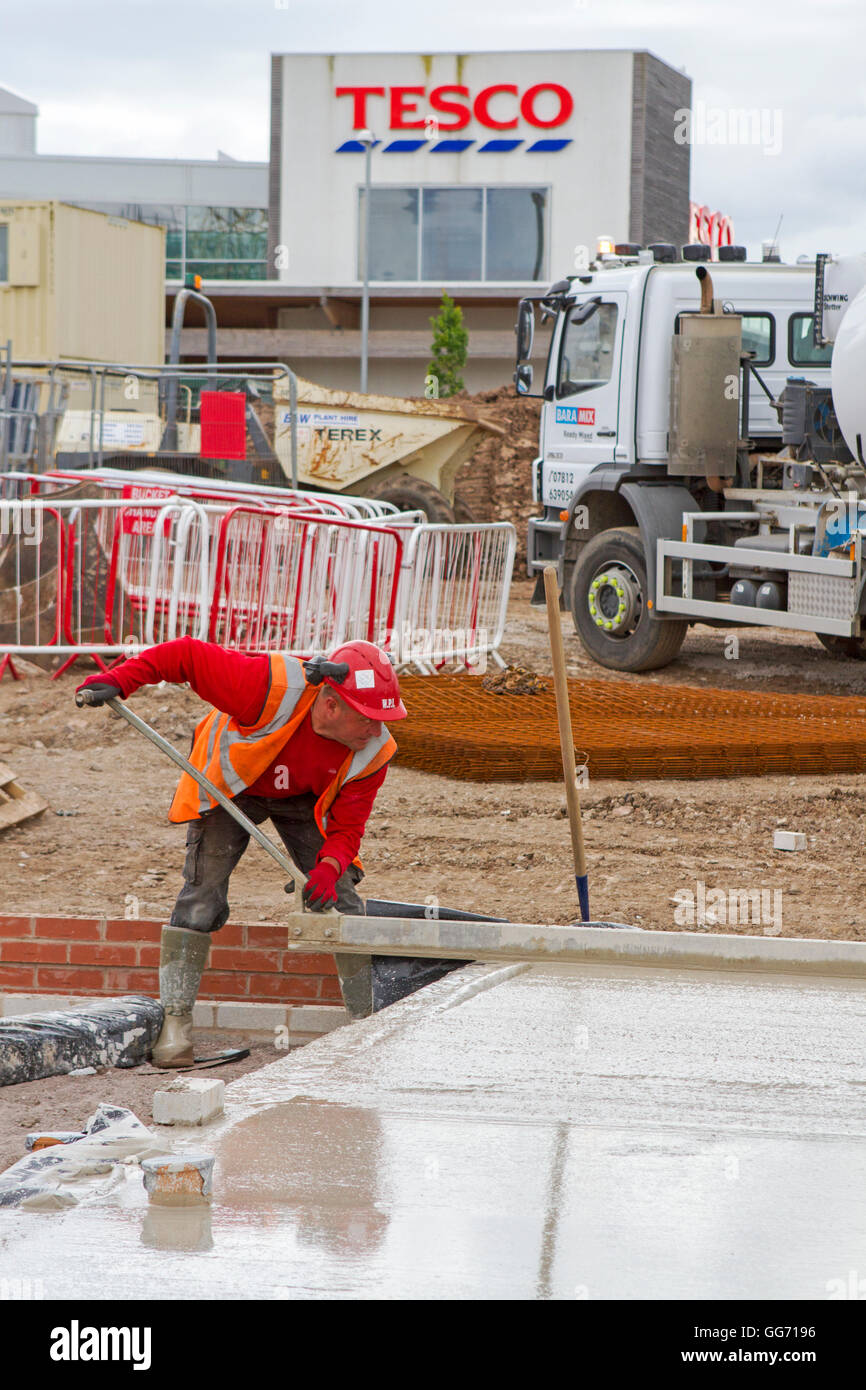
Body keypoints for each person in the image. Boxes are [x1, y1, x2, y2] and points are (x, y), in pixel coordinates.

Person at [76, 636, 406, 1065]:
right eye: (368, 719)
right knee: (202, 897)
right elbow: (185, 655)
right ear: (330, 705)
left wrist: (328, 867)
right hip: (232, 785)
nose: (377, 730)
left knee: (341, 899)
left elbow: (348, 828)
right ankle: (176, 1027)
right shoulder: (269, 685)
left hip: (304, 798)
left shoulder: (375, 750)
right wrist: (121, 679)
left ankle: (364, 1025)